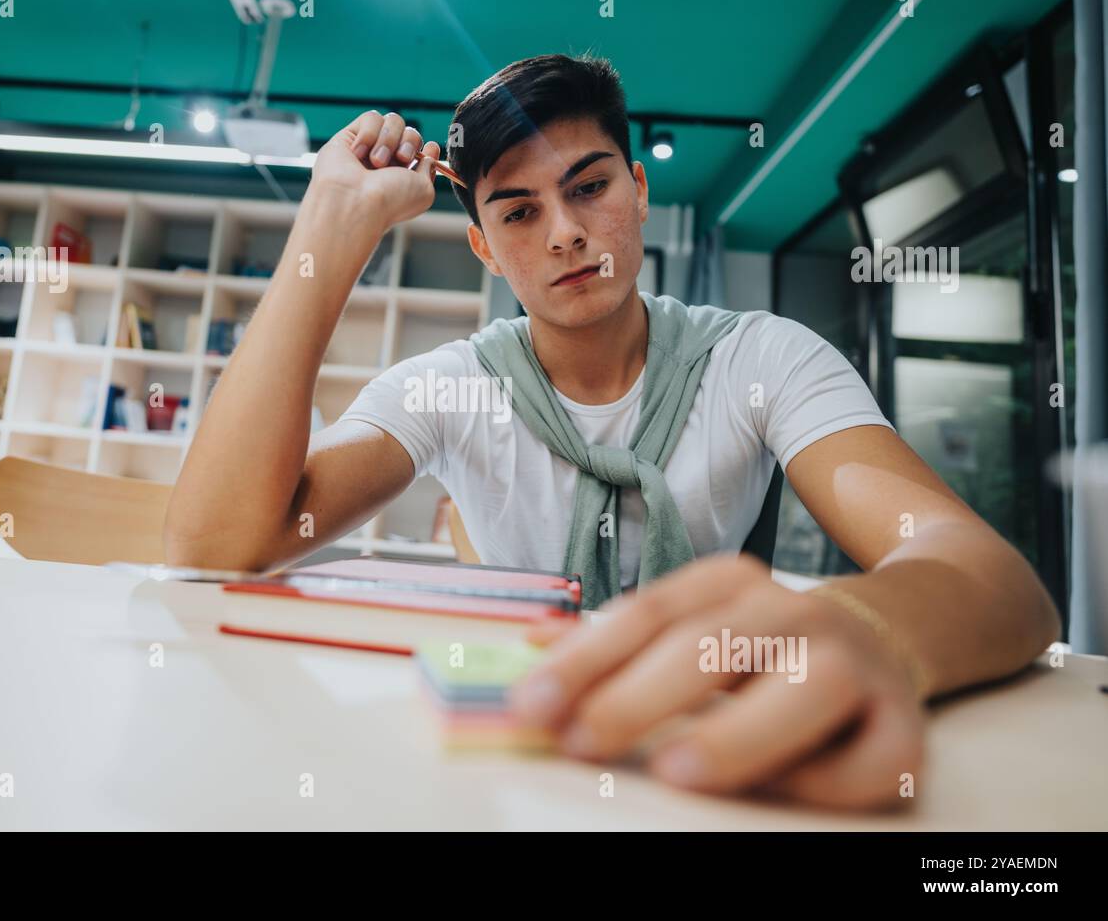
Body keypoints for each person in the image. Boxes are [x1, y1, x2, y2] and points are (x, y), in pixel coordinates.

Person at [165, 54, 1060, 810]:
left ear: (636, 190)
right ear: (483, 246)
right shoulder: (454, 386)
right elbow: (215, 543)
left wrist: (868, 628)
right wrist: (331, 226)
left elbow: (988, 577)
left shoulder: (760, 360)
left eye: (588, 187)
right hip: (513, 768)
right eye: (516, 212)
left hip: (721, 761)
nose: (563, 234)